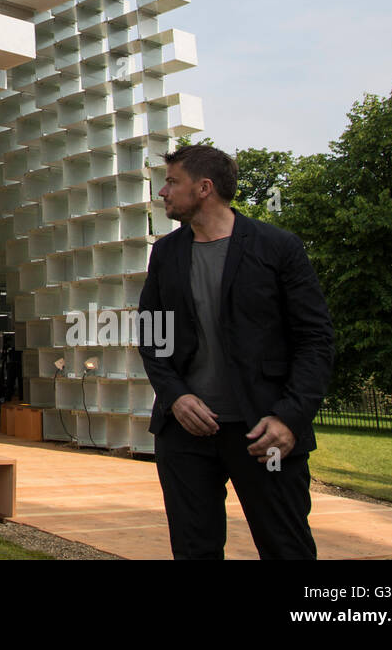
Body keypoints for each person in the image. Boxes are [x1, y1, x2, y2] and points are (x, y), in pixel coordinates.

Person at [137, 144, 334, 560]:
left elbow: (315, 340)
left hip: (264, 432)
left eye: (172, 181)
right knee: (194, 550)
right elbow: (153, 337)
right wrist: (176, 397)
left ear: (204, 188)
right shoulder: (166, 253)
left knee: (287, 549)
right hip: (185, 435)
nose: (162, 192)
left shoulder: (278, 247)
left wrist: (290, 418)